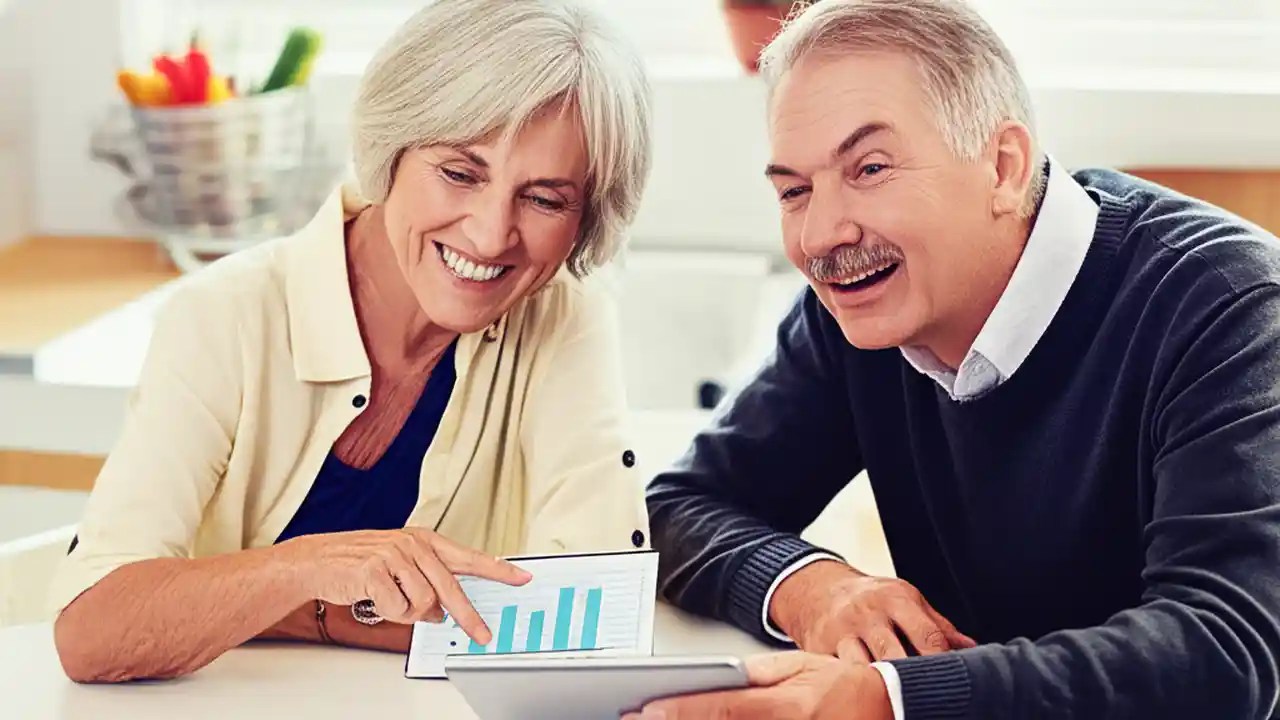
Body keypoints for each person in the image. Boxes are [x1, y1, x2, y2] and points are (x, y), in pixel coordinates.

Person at [639, 0, 1280, 718]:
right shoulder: (859, 308)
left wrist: (888, 700)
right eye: (794, 191)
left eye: (871, 168)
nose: (821, 233)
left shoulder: (1233, 305)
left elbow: (1226, 652)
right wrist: (808, 585)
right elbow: (677, 507)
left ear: (1003, 166)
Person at [50, 0, 653, 683]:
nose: (490, 235)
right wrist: (311, 567)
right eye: (459, 172)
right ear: (392, 149)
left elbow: (592, 623)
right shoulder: (225, 315)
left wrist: (316, 613)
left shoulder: (564, 320)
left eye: (544, 199)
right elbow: (94, 633)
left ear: (586, 218)